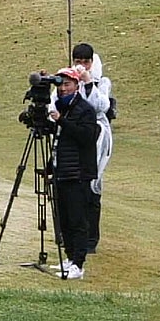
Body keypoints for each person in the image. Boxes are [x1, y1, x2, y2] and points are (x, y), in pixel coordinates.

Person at [47, 67, 99, 279]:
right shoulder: (62, 107)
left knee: (78, 219)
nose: (63, 89)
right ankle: (69, 257)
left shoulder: (84, 109)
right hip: (62, 170)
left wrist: (61, 120)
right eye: (60, 85)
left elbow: (85, 137)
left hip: (78, 172)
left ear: (77, 85)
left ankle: (79, 262)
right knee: (65, 219)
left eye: (67, 84)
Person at [71, 43, 114, 253]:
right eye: (77, 62)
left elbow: (101, 106)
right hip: (72, 134)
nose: (81, 66)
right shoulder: (68, 80)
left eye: (85, 62)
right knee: (69, 185)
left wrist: (88, 84)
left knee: (91, 185)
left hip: (97, 136)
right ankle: (68, 234)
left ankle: (90, 239)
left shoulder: (102, 82)